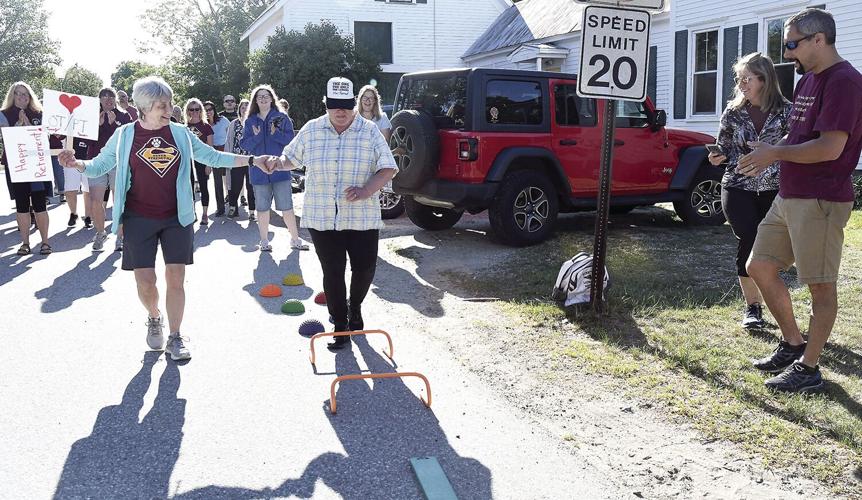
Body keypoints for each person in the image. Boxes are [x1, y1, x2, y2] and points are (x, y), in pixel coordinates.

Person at [58, 76, 277, 361]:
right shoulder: (125, 134)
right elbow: (100, 163)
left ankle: (175, 336)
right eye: (162, 104)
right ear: (144, 107)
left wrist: (252, 159)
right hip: (138, 217)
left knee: (176, 279)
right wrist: (77, 164)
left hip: (177, 216)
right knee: (146, 283)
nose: (169, 108)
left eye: (170, 103)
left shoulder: (181, 133)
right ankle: (153, 315)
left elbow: (213, 157)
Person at [738, 8, 862, 393]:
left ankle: (809, 369)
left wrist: (774, 155)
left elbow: (830, 147)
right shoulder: (808, 80)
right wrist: (769, 150)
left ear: (818, 40)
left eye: (791, 43)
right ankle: (794, 344)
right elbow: (800, 136)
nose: (787, 52)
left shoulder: (844, 83)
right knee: (758, 265)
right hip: (791, 193)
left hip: (821, 198)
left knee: (820, 287)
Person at [273, 77, 398, 349]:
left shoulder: (369, 131)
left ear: (353, 104)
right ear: (326, 104)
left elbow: (388, 167)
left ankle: (355, 307)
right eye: (334, 106)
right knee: (333, 270)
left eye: (345, 106)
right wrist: (275, 164)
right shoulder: (311, 129)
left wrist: (366, 190)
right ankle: (340, 323)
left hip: (362, 216)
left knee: (365, 268)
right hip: (322, 215)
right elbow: (290, 159)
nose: (340, 112)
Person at [708, 53, 792, 330]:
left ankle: (775, 299)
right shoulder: (732, 112)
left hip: (774, 188)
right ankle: (753, 308)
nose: (741, 84)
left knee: (769, 246)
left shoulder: (787, 111)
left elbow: (796, 148)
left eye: (747, 78)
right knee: (748, 239)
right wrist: (717, 156)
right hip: (737, 186)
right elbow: (724, 146)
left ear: (764, 80)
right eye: (739, 79)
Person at [240, 85, 307, 251]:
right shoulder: (250, 121)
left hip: (280, 171)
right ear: (255, 100)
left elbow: (291, 142)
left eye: (266, 96)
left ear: (272, 98)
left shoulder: (282, 118)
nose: (263, 99)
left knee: (287, 207)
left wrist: (274, 133)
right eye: (259, 96)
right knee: (262, 208)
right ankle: (264, 241)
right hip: (259, 172)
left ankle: (295, 239)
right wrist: (256, 137)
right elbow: (244, 145)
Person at [2, 82, 52, 255]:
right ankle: (25, 243)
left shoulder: (40, 113)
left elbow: (47, 136)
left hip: (37, 165)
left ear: (30, 96)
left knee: (40, 205)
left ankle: (45, 242)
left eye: (26, 94)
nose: (22, 97)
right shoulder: (4, 114)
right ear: (12, 95)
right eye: (18, 94)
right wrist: (18, 125)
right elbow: (6, 137)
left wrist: (30, 125)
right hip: (16, 166)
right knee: (21, 206)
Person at [87, 88, 132, 251]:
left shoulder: (124, 115)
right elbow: (83, 139)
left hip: (117, 162)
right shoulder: (91, 115)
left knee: (118, 199)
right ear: (98, 99)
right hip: (97, 161)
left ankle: (120, 236)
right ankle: (100, 233)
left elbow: (129, 138)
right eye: (104, 96)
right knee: (95, 200)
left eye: (111, 96)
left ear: (116, 99)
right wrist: (96, 127)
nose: (108, 99)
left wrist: (114, 125)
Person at [184, 98, 214, 226]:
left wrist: (209, 164)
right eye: (192, 109)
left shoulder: (206, 127)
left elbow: (210, 147)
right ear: (188, 111)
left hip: (202, 161)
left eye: (197, 109)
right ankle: (192, 212)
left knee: (203, 187)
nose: (195, 112)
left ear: (201, 110)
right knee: (189, 188)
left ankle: (205, 213)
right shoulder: (184, 127)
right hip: (188, 162)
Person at [224, 98, 254, 218]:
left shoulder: (254, 122)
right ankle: (233, 208)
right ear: (239, 109)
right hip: (237, 159)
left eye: (247, 107)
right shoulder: (234, 123)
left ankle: (252, 211)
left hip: (251, 160)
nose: (245, 109)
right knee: (235, 185)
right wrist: (227, 159)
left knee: (251, 186)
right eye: (243, 107)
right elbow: (229, 141)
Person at [206, 100, 230, 215]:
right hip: (213, 152)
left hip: (226, 150)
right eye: (205, 110)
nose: (208, 112)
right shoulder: (204, 124)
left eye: (210, 109)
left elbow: (230, 135)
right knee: (218, 181)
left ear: (214, 110)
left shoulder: (223, 120)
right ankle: (220, 208)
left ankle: (232, 204)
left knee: (230, 179)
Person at [64, 137, 93, 227]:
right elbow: (59, 135)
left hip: (89, 160)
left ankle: (88, 217)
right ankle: (73, 214)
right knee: (70, 191)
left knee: (88, 190)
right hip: (71, 160)